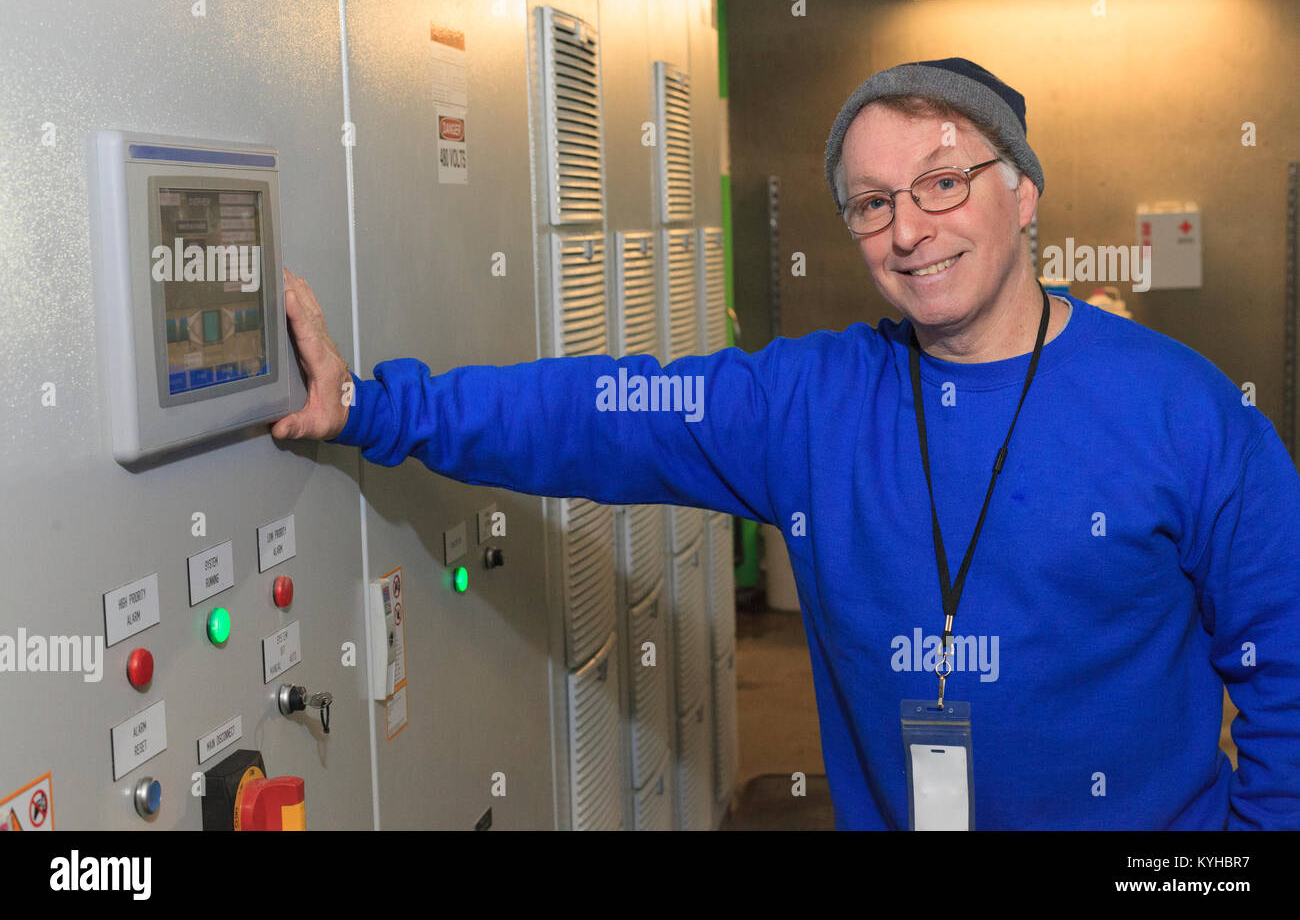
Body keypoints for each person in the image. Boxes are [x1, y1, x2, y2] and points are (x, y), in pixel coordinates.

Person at [272, 58, 1300, 830]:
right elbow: (597, 411)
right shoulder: (812, 402)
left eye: (942, 183)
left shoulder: (1181, 410)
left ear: (1023, 191)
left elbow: (1285, 671)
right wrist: (370, 404)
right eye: (871, 202)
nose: (908, 229)